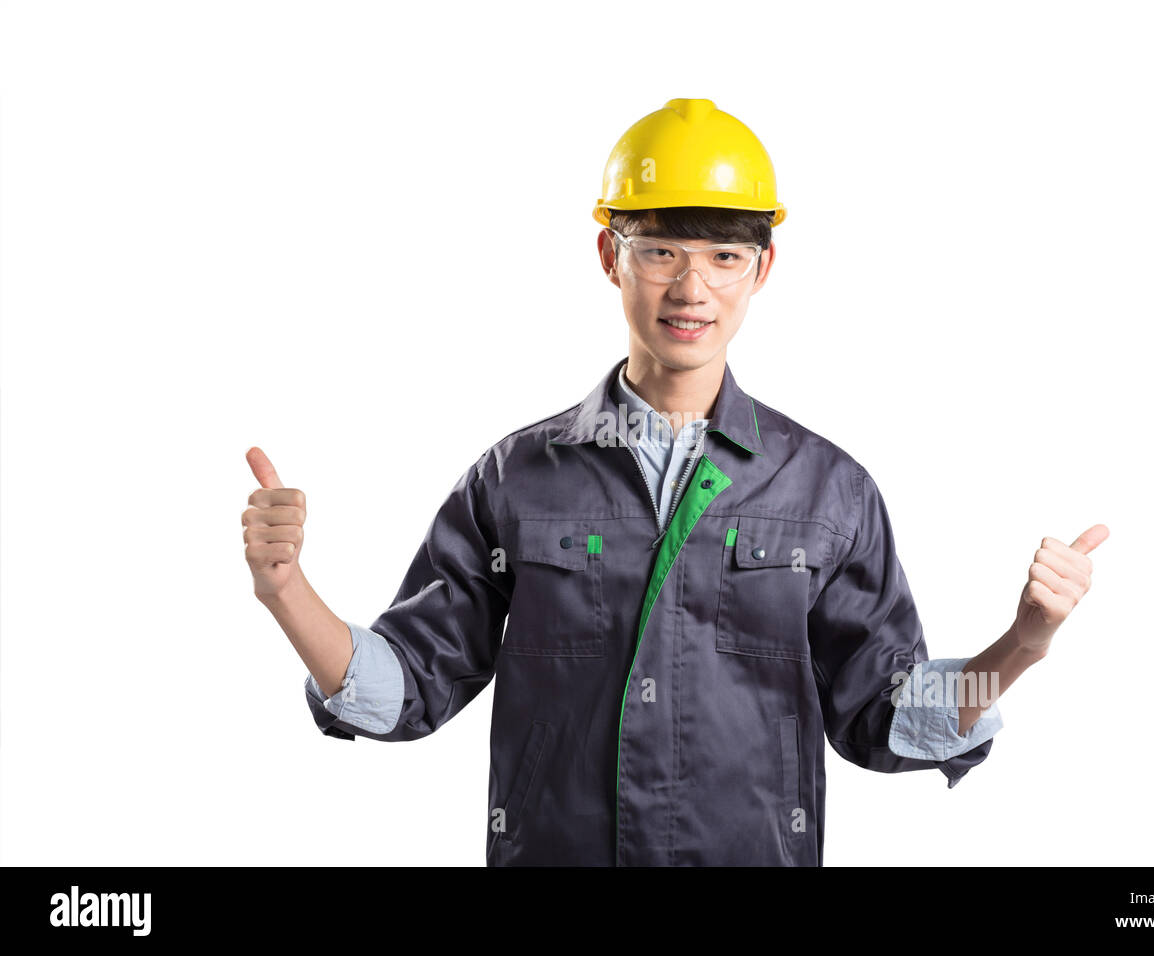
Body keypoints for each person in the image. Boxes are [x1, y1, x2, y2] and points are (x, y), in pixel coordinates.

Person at [242, 98, 1108, 866]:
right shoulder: (516, 481)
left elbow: (888, 717)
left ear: (761, 270)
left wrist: (1022, 645)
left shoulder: (826, 491)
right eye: (659, 251)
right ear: (610, 257)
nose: (692, 287)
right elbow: (407, 688)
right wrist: (287, 592)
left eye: (725, 257)